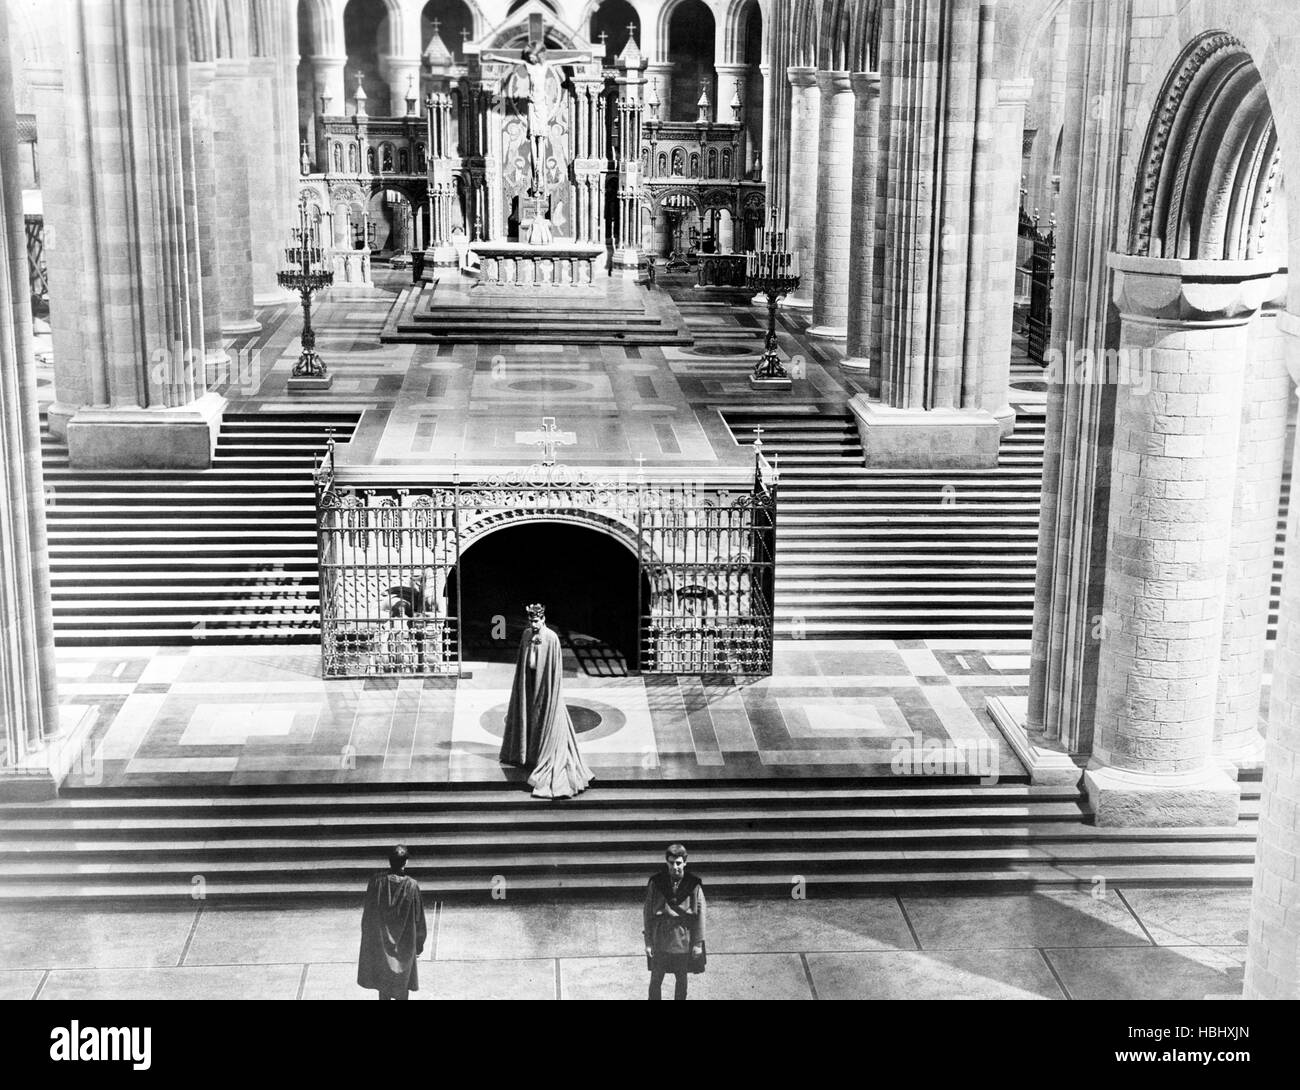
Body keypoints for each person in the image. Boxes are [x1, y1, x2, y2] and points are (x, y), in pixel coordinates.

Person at [500, 603, 593, 799]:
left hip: (545, 687)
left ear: (543, 620)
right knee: (530, 718)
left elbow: (554, 670)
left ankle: (544, 757)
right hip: (530, 684)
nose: (533, 624)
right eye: (531, 621)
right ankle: (528, 755)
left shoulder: (551, 638)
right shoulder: (526, 635)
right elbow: (523, 663)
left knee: (544, 720)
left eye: (536, 620)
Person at [357, 845, 428, 1000]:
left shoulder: (376, 882)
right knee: (402, 989)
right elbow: (419, 919)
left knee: (384, 988)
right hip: (405, 946)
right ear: (406, 862)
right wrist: (419, 945)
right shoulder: (412, 886)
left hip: (381, 944)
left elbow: (367, 916)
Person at [643, 843, 706, 1001]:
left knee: (681, 981)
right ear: (666, 862)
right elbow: (648, 913)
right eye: (671, 863)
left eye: (678, 863)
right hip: (661, 939)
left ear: (685, 862)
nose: (675, 867)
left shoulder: (693, 884)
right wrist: (648, 942)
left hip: (682, 939)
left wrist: (698, 944)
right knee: (656, 980)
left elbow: (700, 916)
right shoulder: (656, 882)